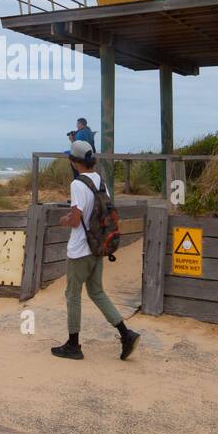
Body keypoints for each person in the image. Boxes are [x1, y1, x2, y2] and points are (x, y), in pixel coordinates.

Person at [51, 140, 140, 361]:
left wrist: (62, 220)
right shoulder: (101, 181)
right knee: (97, 292)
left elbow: (75, 219)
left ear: (74, 161)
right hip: (98, 246)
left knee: (72, 295)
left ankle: (73, 345)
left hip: (80, 249)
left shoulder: (77, 184)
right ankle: (125, 334)